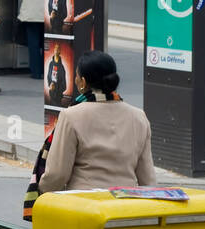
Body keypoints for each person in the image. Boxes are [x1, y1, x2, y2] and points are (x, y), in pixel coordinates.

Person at [39, 51, 154, 192]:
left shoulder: (71, 116)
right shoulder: (139, 117)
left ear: (83, 82)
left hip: (85, 204)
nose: (75, 79)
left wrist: (41, 191)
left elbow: (57, 174)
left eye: (76, 75)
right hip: (124, 205)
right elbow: (147, 178)